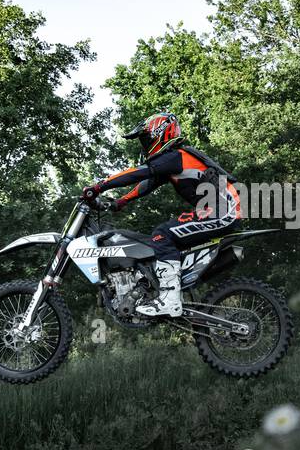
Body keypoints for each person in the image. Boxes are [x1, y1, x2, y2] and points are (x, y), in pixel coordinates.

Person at [82, 112, 242, 317]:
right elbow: (146, 184)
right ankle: (170, 288)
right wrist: (121, 201)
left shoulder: (175, 157)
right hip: (220, 211)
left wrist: (98, 187)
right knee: (166, 236)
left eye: (146, 139)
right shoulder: (174, 161)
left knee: (161, 234)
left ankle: (170, 299)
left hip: (223, 211)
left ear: (160, 134)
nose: (145, 145)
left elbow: (137, 173)